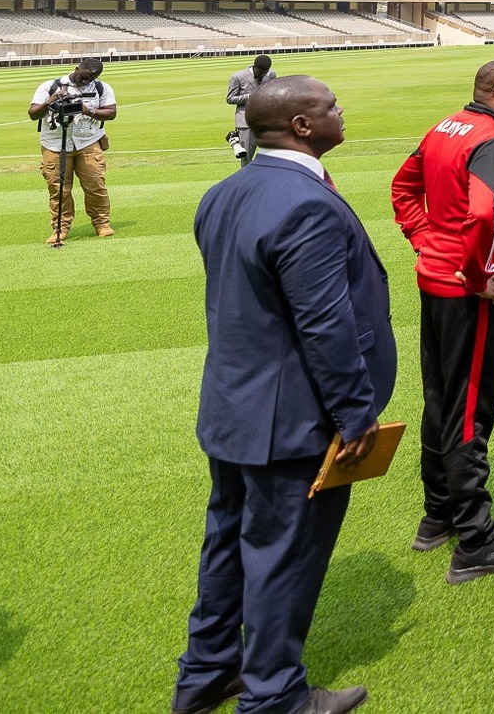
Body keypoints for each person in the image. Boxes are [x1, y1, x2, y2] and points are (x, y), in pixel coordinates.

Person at [172, 76, 396, 714]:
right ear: (301, 125)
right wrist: (355, 415)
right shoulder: (307, 204)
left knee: (227, 544)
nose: (341, 110)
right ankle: (272, 695)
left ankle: (207, 674)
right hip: (294, 419)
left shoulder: (224, 192)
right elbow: (325, 324)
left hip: (234, 405)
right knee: (282, 555)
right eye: (331, 105)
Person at [390, 59, 494, 583]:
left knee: (442, 399)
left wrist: (425, 241)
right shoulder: (493, 142)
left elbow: (402, 188)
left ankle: (438, 516)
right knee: (469, 409)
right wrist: (477, 275)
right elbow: (483, 214)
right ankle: (476, 540)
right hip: (468, 293)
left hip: (436, 281)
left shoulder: (444, 126)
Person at [28, 56, 117, 246]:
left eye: (89, 79)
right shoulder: (50, 86)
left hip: (89, 141)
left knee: (95, 185)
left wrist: (87, 110)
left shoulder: (102, 88)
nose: (85, 82)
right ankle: (60, 229)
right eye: (82, 77)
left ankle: (102, 223)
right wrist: (50, 102)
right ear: (77, 68)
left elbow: (111, 113)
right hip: (55, 144)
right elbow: (32, 113)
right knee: (58, 189)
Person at [225, 54, 276, 167]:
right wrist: (250, 97)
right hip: (246, 122)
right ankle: (248, 182)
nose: (263, 74)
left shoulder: (271, 74)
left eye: (265, 72)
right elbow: (230, 99)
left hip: (266, 120)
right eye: (260, 72)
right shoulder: (237, 77)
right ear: (254, 67)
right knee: (246, 157)